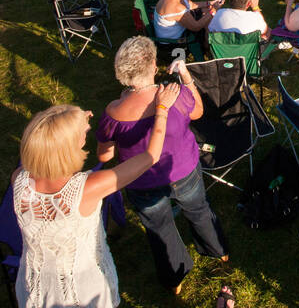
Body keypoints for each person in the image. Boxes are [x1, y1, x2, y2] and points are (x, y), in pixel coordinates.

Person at [13, 99, 172, 308]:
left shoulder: (19, 178)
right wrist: (163, 110)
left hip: (41, 277)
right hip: (82, 282)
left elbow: (47, 137)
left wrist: (74, 120)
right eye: (79, 139)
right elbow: (149, 157)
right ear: (64, 150)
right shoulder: (86, 188)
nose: (83, 143)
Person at [97, 41, 229, 292]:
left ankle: (175, 277)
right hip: (185, 170)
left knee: (159, 229)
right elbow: (198, 112)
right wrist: (186, 76)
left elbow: (104, 154)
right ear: (153, 66)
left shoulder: (114, 112)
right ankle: (218, 251)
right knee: (199, 210)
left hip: (142, 183)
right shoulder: (174, 95)